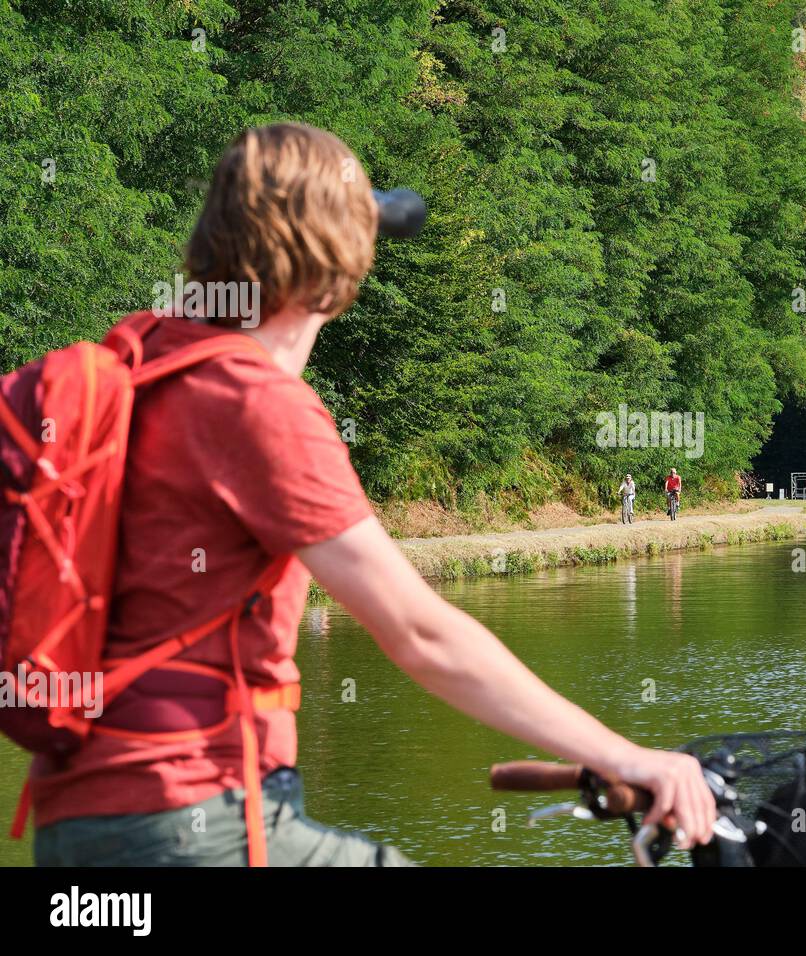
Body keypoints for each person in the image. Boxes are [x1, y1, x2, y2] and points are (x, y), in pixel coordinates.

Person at [28, 123, 714, 866]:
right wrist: (632, 757)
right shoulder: (257, 405)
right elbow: (420, 635)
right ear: (342, 260)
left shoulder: (134, 361)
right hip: (199, 815)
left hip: (75, 825)